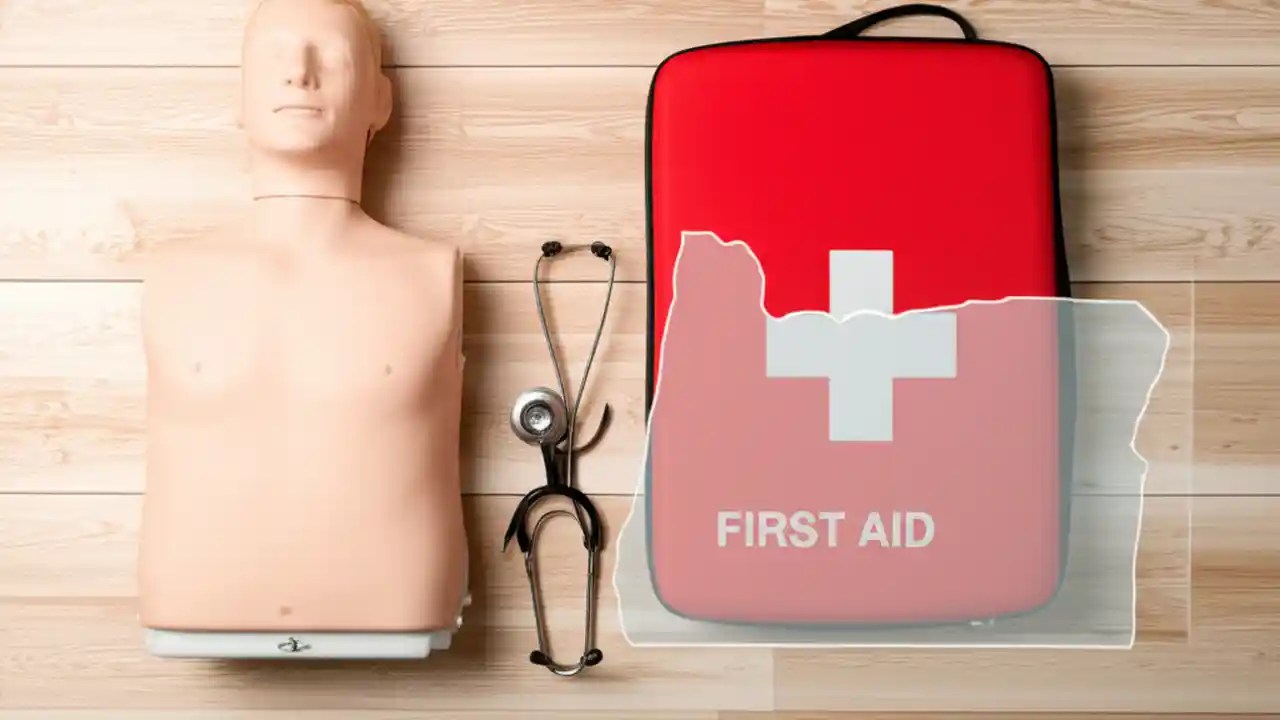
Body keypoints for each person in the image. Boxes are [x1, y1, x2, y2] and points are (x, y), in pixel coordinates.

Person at [137, 0, 468, 657]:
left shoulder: (432, 271)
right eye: (275, 58)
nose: (300, 74)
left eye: (331, 57)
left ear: (381, 101)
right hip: (192, 598)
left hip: (397, 602)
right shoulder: (172, 270)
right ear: (238, 97)